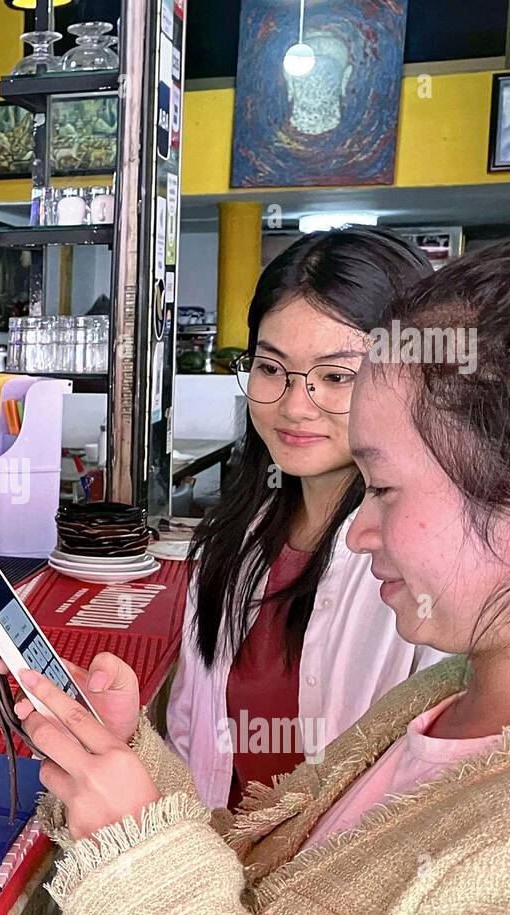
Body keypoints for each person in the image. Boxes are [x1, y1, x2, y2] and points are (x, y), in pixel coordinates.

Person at [11, 237, 510, 915]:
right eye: (271, 368)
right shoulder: (449, 693)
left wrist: (138, 859)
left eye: (386, 486)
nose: (362, 530)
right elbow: (280, 858)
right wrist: (134, 766)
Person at [169, 227, 443, 809]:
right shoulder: (233, 539)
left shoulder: (431, 568)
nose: (295, 406)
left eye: (337, 377)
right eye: (271, 368)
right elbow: (190, 732)